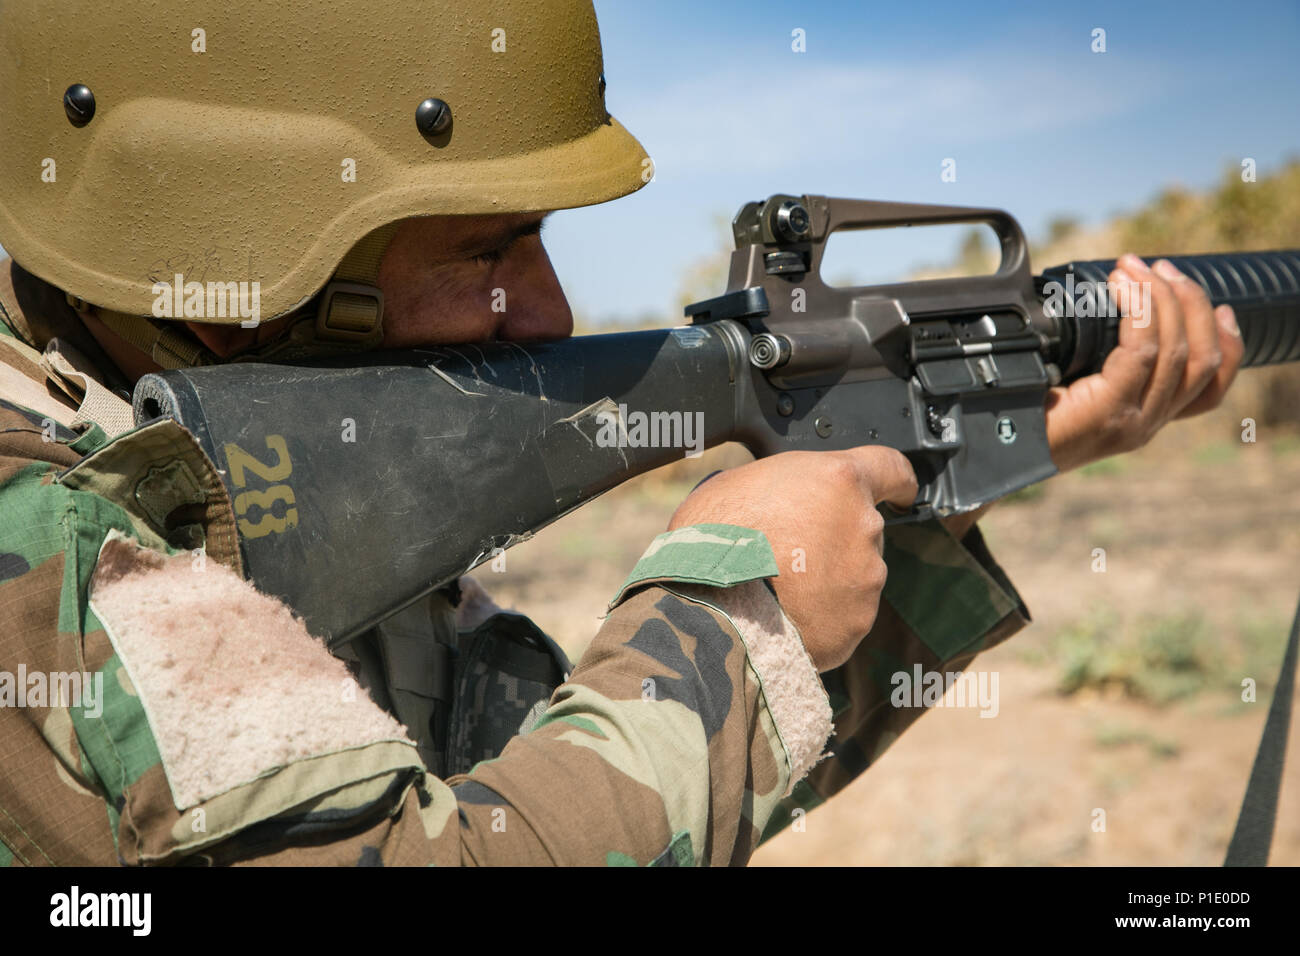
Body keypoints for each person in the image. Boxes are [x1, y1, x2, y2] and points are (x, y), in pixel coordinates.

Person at [0, 1, 1241, 866]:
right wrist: (724, 615)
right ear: (226, 292)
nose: (551, 310)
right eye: (489, 248)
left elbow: (592, 787)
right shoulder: (50, 564)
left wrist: (969, 466)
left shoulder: (223, 481)